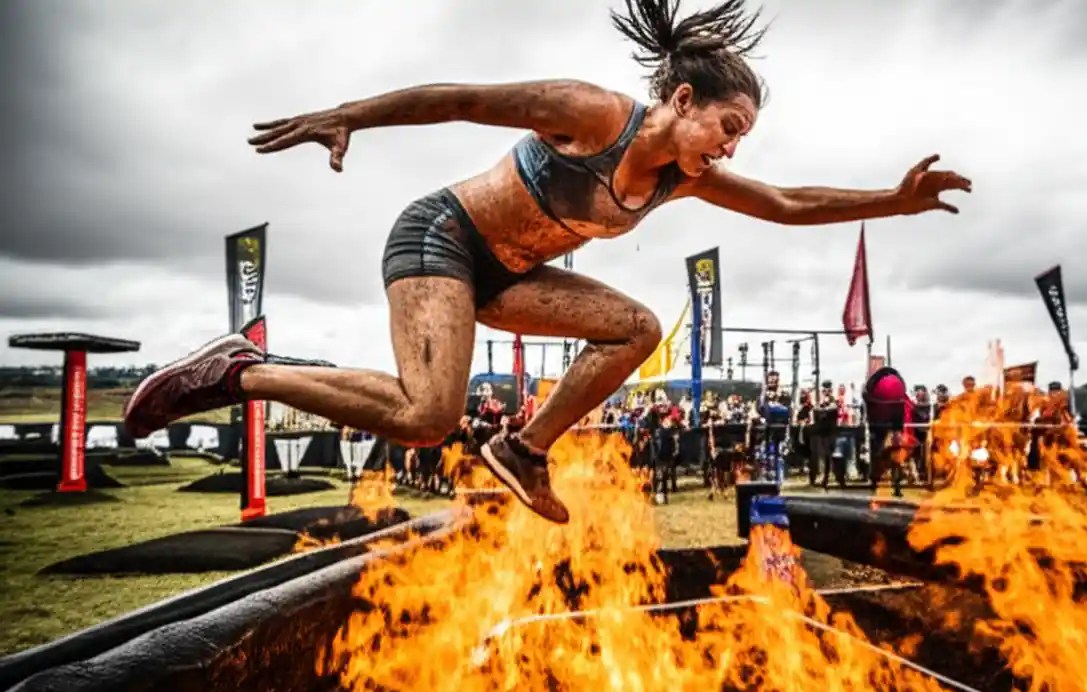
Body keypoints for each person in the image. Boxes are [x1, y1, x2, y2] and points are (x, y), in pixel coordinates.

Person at [121, 0, 971, 525]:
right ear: (683, 101)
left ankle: (525, 450)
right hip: (442, 240)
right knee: (426, 414)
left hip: (510, 279)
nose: (730, 147)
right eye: (728, 127)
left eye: (741, 138)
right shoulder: (592, 115)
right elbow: (457, 99)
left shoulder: (680, 179)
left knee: (633, 329)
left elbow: (786, 204)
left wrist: (890, 201)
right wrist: (344, 115)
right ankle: (245, 373)